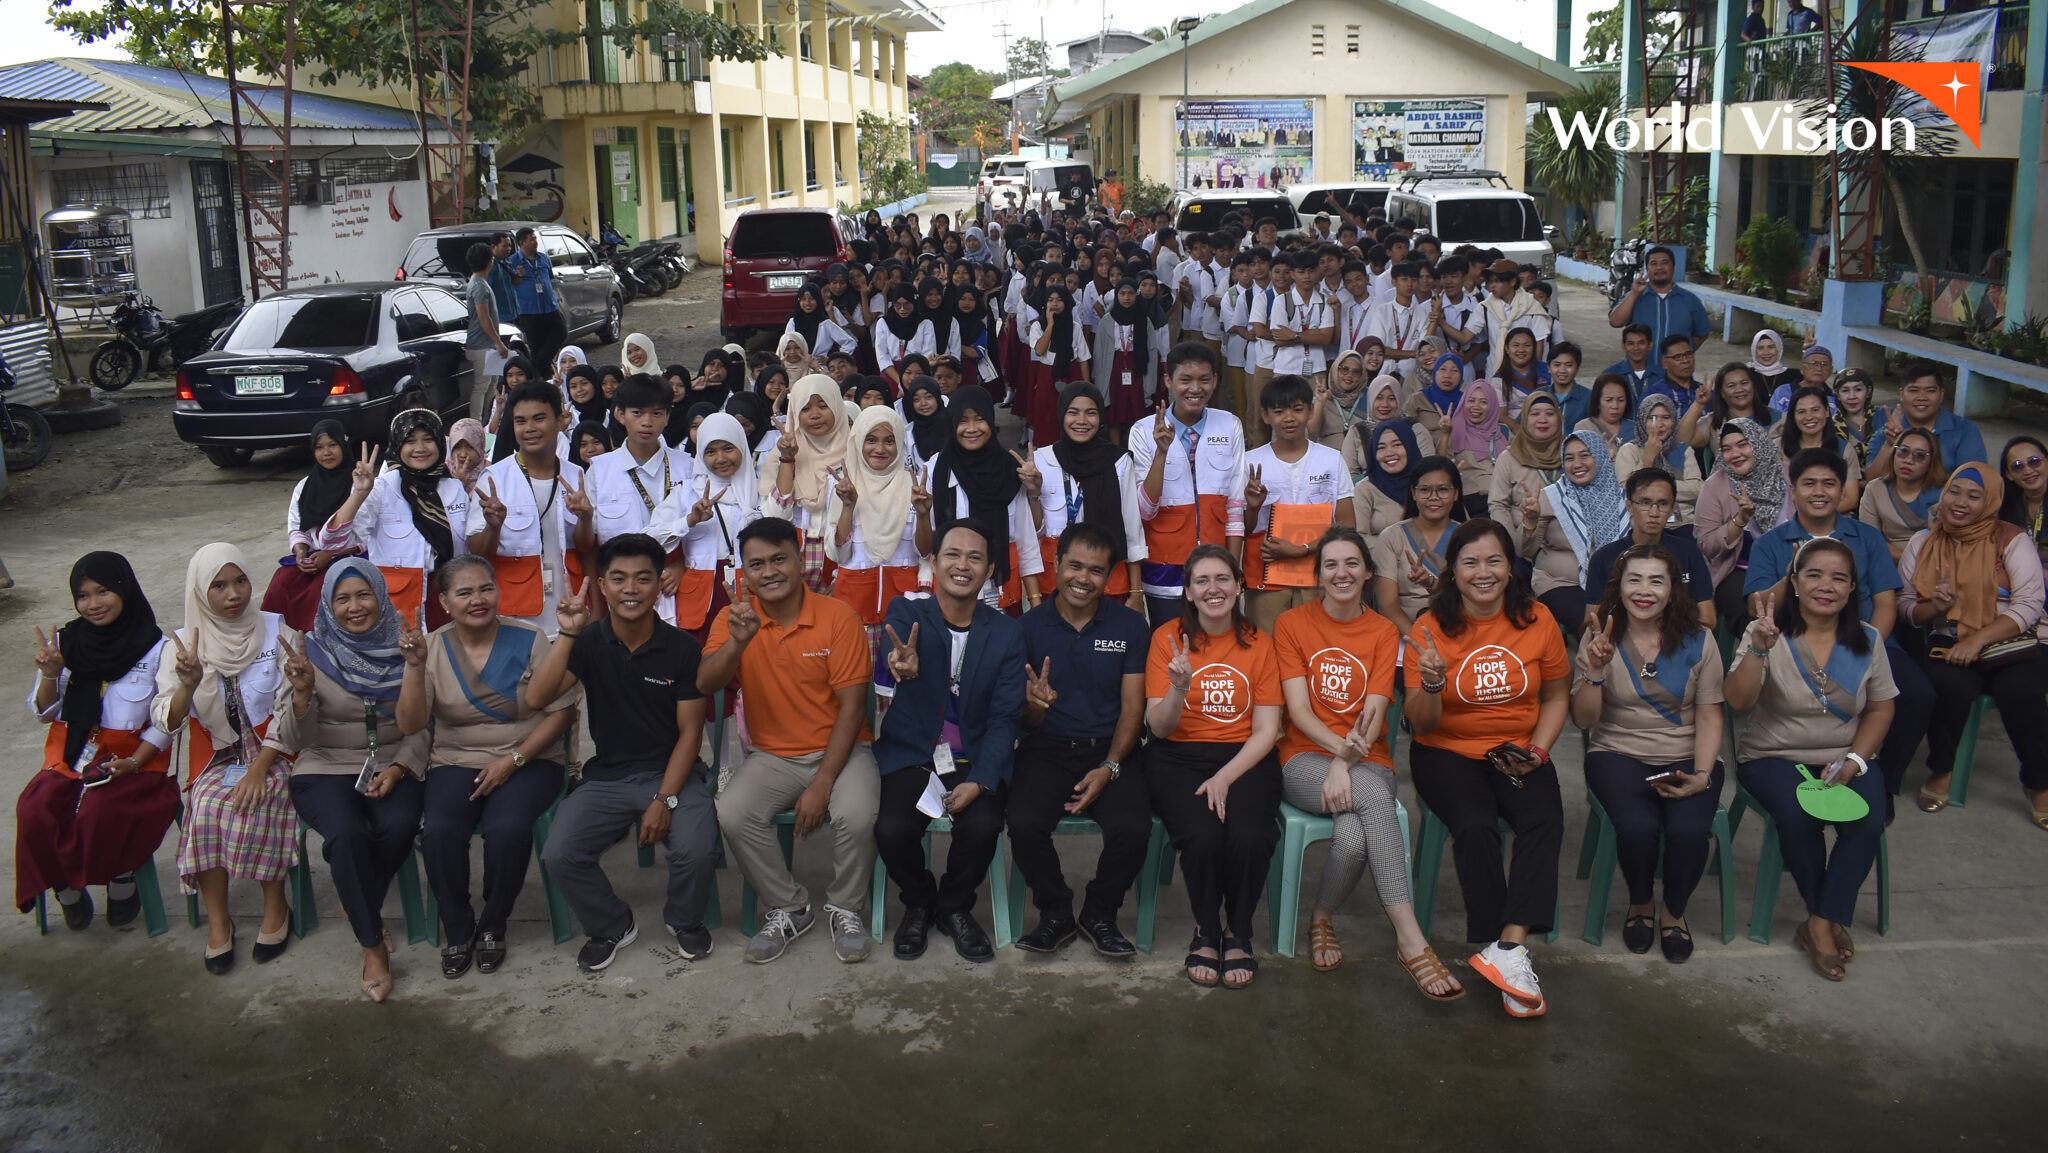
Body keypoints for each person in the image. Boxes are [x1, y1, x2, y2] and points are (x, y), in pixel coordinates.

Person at [1275, 527, 1462, 996]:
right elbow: (1297, 712)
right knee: (1377, 799)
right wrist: (1339, 757)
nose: (1342, 573)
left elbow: (1375, 713)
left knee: (1356, 836)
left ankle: (1321, 916)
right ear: (1318, 576)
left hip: (1368, 757)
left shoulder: (1383, 632)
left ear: (1369, 573)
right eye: (1331, 565)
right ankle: (1411, 940)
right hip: (1302, 759)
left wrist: (1345, 762)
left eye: (1352, 564)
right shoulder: (1292, 625)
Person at [1403, 519, 1570, 1017]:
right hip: (1445, 750)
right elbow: (1419, 722)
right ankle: (1507, 952)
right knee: (1475, 825)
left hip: (1518, 748)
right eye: (1470, 562)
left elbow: (1558, 694)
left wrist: (1538, 752)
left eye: (1494, 560)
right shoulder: (1429, 627)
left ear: (1511, 567)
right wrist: (1432, 684)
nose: (1483, 572)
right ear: (1452, 572)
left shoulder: (1538, 619)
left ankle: (1508, 948)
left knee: (1543, 818)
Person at [529, 534, 719, 970]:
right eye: (618, 579)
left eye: (642, 579)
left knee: (695, 848)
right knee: (560, 853)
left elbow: (691, 734)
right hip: (608, 776)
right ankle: (612, 924)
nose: (630, 589)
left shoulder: (682, 648)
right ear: (601, 584)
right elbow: (538, 697)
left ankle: (684, 920)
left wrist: (664, 799)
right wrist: (567, 634)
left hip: (673, 772)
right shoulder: (589, 641)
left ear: (659, 585)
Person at [699, 518, 883, 964]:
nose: (769, 572)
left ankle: (845, 906)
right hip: (772, 754)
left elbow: (853, 709)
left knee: (858, 816)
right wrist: (737, 645)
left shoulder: (838, 617)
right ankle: (789, 906)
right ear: (743, 573)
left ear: (801, 561)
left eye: (779, 559)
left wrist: (822, 783)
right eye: (756, 564)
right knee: (733, 812)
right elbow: (707, 682)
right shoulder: (734, 617)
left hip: (843, 750)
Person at [396, 555, 578, 977]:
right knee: (440, 831)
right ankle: (458, 928)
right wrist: (414, 667)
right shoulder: (432, 647)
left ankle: (494, 923)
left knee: (507, 829)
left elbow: (561, 713)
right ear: (443, 600)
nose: (477, 600)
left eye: (485, 589)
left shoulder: (530, 638)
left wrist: (513, 761)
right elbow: (409, 724)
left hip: (529, 756)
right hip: (455, 759)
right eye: (464, 593)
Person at [1725, 538, 1895, 981]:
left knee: (1870, 818)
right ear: (1795, 583)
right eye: (1814, 574)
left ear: (1852, 587)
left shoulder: (1868, 639)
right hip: (1772, 755)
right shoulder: (1766, 629)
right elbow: (1738, 703)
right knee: (1800, 816)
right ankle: (1827, 922)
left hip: (1846, 755)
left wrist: (1856, 760)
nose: (1826, 585)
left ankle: (1818, 921)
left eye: (1839, 578)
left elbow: (1880, 708)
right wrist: (1759, 650)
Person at [868, 519, 1026, 962]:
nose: (962, 565)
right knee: (892, 828)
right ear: (933, 562)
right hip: (914, 754)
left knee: (983, 826)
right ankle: (920, 900)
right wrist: (901, 662)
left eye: (975, 557)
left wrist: (982, 780)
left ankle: (954, 906)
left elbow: (1005, 718)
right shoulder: (908, 613)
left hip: (974, 757)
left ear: (990, 569)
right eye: (952, 555)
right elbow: (894, 654)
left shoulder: (1008, 634)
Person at [273, 561, 429, 1001]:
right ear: (328, 604)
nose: (354, 607)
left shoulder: (408, 648)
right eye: (342, 598)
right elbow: (293, 740)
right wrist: (302, 694)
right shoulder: (309, 653)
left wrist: (399, 768)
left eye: (364, 595)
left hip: (395, 761)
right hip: (324, 765)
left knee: (397, 825)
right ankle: (373, 945)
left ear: (381, 596)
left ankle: (356, 895)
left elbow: (425, 726)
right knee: (345, 833)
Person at [1745, 448, 1932, 802]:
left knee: (1919, 695)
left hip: (1863, 641)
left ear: (1843, 489)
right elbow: (1756, 607)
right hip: (1793, 646)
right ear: (1793, 488)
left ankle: (1879, 779)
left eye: (1829, 484)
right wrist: (1794, 573)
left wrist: (1864, 647)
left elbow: (1885, 604)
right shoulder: (1771, 543)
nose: (1819, 492)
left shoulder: (1867, 537)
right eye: (1809, 483)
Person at [1571, 545, 1726, 962]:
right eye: (1634, 580)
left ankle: (1674, 913)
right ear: (1618, 588)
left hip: (1687, 752)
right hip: (1617, 751)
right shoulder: (1598, 636)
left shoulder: (1700, 640)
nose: (1644, 590)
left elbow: (1711, 715)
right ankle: (1641, 903)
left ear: (1673, 590)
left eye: (1656, 581)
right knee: (1638, 826)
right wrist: (1595, 672)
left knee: (1689, 832)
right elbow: (1584, 721)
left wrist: (1703, 773)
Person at [1008, 523, 1154, 956]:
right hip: (1046, 750)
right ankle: (1055, 912)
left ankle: (1100, 914)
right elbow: (1024, 721)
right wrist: (1035, 704)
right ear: (1055, 565)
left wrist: (1109, 767)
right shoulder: (1026, 629)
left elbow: (1133, 710)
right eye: (1074, 565)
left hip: (1113, 750)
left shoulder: (1130, 626)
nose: (1082, 578)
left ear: (1109, 577)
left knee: (1133, 827)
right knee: (1024, 824)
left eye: (1095, 570)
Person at [17, 553, 180, 933]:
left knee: (100, 811)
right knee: (35, 809)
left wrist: (137, 761)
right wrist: (50, 675)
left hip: (132, 760)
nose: (93, 604)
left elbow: (166, 721)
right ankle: (65, 890)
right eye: (83, 595)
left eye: (103, 591)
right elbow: (44, 713)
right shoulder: (65, 643)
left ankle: (121, 878)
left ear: (124, 589)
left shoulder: (157, 647)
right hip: (70, 757)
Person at [1144, 545, 1284, 988]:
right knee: (1202, 835)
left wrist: (1225, 776)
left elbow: (1266, 730)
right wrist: (1178, 689)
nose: (1213, 589)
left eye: (1222, 579)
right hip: (1178, 756)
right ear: (1187, 591)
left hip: (1243, 755)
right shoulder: (1165, 638)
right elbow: (1159, 728)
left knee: (1251, 834)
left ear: (1239, 586)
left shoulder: (1260, 644)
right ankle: (1206, 929)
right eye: (1201, 581)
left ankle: (1237, 930)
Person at [155, 544, 295, 973]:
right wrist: (187, 684)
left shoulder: (276, 629)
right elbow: (167, 720)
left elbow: (291, 708)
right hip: (216, 755)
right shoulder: (180, 647)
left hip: (274, 750)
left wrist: (257, 769)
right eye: (217, 585)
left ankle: (276, 905)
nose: (232, 594)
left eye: (239, 582)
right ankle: (220, 920)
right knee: (207, 808)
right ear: (200, 591)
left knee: (258, 798)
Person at [1898, 464, 2048, 824]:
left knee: (2022, 691)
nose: (1960, 502)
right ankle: (1942, 770)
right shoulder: (1923, 543)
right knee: (1946, 686)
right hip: (1949, 638)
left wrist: (1979, 638)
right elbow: (1905, 607)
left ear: (1991, 501)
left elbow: (2029, 604)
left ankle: (2040, 783)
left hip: (2012, 641)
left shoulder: (2011, 540)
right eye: (1954, 491)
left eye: (1973, 495)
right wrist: (1935, 606)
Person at [1128, 343, 1248, 625]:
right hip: (1163, 565)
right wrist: (1161, 452)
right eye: (1185, 380)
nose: (1195, 388)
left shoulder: (1230, 425)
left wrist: (1232, 569)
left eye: (1204, 380)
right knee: (1168, 647)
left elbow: (1235, 508)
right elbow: (1144, 510)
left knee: (1217, 652)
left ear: (1215, 381)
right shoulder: (1143, 430)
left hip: (1216, 567)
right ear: (1168, 381)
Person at [320, 409, 469, 628]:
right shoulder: (381, 487)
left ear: (440, 442)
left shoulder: (454, 487)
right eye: (410, 441)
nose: (420, 449)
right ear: (398, 445)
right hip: (398, 607)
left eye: (428, 440)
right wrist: (359, 493)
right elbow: (332, 543)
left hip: (450, 599)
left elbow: (468, 550)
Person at [466, 381, 594, 636]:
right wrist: (494, 527)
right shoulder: (494, 479)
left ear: (559, 422)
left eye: (539, 419)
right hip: (515, 617)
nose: (529, 429)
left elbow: (585, 547)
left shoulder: (576, 476)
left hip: (570, 609)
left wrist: (586, 518)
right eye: (520, 421)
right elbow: (477, 552)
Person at [1241, 374, 1354, 631]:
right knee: (1267, 651)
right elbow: (1241, 530)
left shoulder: (1332, 460)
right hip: (1265, 577)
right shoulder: (1249, 462)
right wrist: (1254, 507)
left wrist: (1301, 549)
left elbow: (1347, 526)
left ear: (1311, 410)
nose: (1289, 418)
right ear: (1265, 416)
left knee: (1316, 648)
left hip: (1319, 575)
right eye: (1279, 411)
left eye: (1298, 409)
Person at [1030, 382, 1147, 612]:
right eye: (1073, 412)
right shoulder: (1041, 460)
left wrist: (1136, 592)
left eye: (1090, 413)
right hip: (1055, 580)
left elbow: (1132, 529)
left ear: (1101, 417)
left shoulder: (1119, 460)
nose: (1082, 421)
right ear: (1061, 415)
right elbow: (1034, 532)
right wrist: (1033, 494)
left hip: (1110, 579)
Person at [927, 384, 1045, 611]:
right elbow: (926, 545)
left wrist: (1036, 604)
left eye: (979, 419)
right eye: (962, 421)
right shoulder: (936, 471)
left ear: (991, 422)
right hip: (951, 597)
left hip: (1003, 597)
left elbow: (1027, 542)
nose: (971, 428)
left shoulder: (1011, 471)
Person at [825, 406, 925, 654]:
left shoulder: (914, 484)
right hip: (853, 609)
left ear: (900, 443)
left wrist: (923, 513)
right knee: (855, 684)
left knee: (897, 686)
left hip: (904, 610)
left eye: (889, 441)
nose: (880, 449)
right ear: (858, 441)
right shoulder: (841, 485)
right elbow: (839, 554)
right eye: (871, 440)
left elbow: (925, 551)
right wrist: (848, 506)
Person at [1584, 466, 1718, 629]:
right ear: (1630, 506)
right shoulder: (1604, 557)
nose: (1654, 512)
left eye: (1663, 503)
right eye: (1646, 503)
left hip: (1678, 640)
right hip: (1622, 643)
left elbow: (1709, 619)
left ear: (1672, 509)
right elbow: (1593, 623)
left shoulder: (1688, 552)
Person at [1522, 431, 1625, 639]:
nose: (1577, 464)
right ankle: (1592, 671)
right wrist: (1530, 520)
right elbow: (1525, 550)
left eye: (1585, 455)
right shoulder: (1551, 497)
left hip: (1612, 584)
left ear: (1600, 456)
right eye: (1569, 458)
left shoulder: (1623, 499)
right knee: (1593, 627)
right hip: (1560, 583)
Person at [262, 421, 357, 632]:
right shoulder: (305, 485)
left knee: (321, 590)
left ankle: (315, 645)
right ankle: (276, 640)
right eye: (319, 447)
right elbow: (296, 526)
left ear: (344, 444)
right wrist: (300, 552)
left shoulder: (359, 484)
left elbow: (366, 535)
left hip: (351, 555)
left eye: (332, 445)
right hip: (313, 557)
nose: (326, 453)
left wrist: (331, 555)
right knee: (282, 582)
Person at [1697, 419, 1791, 631]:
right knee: (1758, 621)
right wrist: (1739, 521)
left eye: (1743, 444)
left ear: (1758, 443)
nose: (1735, 454)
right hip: (1738, 571)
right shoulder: (1715, 486)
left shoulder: (1788, 475)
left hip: (1789, 566)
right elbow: (1707, 545)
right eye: (1726, 449)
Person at [767, 374, 853, 592]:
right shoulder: (780, 453)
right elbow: (776, 517)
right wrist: (787, 459)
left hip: (842, 558)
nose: (814, 415)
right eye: (805, 409)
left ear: (837, 405)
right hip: (794, 558)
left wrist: (844, 574)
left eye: (823, 406)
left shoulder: (856, 456)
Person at [1373, 456, 1466, 638]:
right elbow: (1387, 605)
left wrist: (1431, 582)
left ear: (1456, 493)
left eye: (1443, 490)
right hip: (1407, 635)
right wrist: (1420, 643)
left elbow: (1470, 597)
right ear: (1414, 493)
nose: (1434, 497)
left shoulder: (1468, 538)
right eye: (1425, 490)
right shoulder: (1392, 537)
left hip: (1459, 630)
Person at [1866, 363, 1989, 484]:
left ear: (1941, 395)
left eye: (1930, 391)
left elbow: (1974, 481)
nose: (1922, 397)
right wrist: (1889, 444)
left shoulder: (1965, 430)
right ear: (1902, 394)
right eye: (1914, 390)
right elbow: (1872, 481)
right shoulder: (1886, 433)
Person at [1614, 393, 1703, 530]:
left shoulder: (1684, 449)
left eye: (1666, 418)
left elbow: (1697, 489)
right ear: (1642, 420)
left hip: (1683, 523)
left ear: (1674, 420)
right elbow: (1627, 490)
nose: (1660, 424)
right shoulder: (1630, 450)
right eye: (1652, 418)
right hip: (1642, 524)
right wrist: (1648, 459)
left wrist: (1658, 489)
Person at [1859, 427, 1945, 561]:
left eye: (1919, 455)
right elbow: (1871, 540)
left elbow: (1946, 545)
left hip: (1933, 563)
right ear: (1893, 453)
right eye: (1903, 451)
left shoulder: (1944, 494)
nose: (1908, 460)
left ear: (1931, 462)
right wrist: (1909, 561)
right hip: (1887, 562)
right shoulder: (1875, 489)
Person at [1605, 245, 1710, 355]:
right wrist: (1634, 293)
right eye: (1654, 263)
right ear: (1647, 269)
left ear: (1673, 267)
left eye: (1665, 262)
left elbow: (1702, 333)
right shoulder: (1633, 297)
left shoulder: (1690, 300)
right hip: (1641, 369)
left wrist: (1682, 354)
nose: (1659, 267)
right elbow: (1615, 322)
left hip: (1674, 371)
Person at [1780, 385, 1862, 511]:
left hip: (1831, 520)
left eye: (1815, 410)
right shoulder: (1778, 448)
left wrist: (1813, 516)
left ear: (1827, 412)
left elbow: (1850, 499)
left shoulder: (1844, 449)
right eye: (1802, 412)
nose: (1809, 417)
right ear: (1793, 416)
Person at [1445, 379, 1510, 520]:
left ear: (1492, 406)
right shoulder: (1454, 429)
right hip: (1469, 500)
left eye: (1483, 402)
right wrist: (1445, 434)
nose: (1476, 407)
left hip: (1501, 498)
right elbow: (1442, 461)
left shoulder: (1502, 434)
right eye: (1471, 400)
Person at [464, 242, 511, 427]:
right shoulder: (479, 286)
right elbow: (484, 318)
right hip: (481, 345)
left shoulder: (480, 283)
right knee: (481, 386)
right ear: (489, 261)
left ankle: (489, 421)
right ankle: (475, 424)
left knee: (492, 385)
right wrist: (499, 343)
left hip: (487, 345)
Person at [1352, 417, 1425, 537]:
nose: (1389, 453)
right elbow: (1360, 537)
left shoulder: (1429, 483)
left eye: (1397, 445)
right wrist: (1395, 552)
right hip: (1381, 555)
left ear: (1410, 447)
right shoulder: (1365, 489)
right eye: (1381, 448)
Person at [1677, 362, 1772, 452]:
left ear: (1753, 386)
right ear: (1722, 393)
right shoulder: (1713, 422)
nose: (1739, 389)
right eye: (1731, 386)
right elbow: (1682, 441)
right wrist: (1699, 405)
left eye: (1744, 383)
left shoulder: (1779, 418)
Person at [508, 226, 566, 372]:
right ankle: (543, 373)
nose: (535, 242)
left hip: (549, 307)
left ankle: (535, 364)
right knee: (536, 344)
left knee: (561, 331)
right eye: (531, 239)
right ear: (522, 243)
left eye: (535, 238)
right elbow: (509, 285)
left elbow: (550, 279)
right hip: (528, 311)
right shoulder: (513, 261)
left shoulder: (543, 258)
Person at [1998, 435, 2048, 568]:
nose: (2028, 470)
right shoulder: (2003, 505)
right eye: (2017, 466)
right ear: (2009, 475)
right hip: (2019, 577)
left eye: (2034, 461)